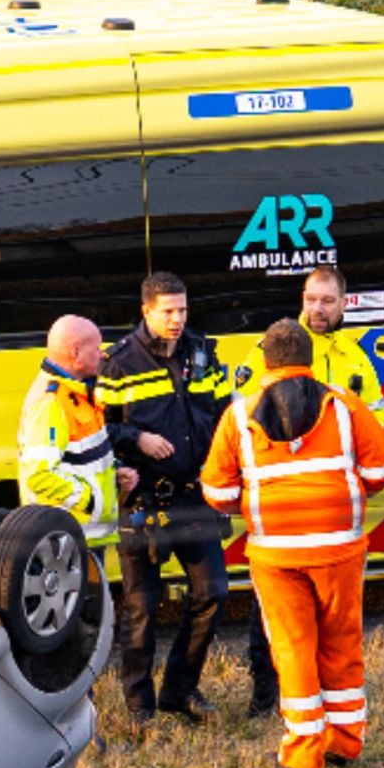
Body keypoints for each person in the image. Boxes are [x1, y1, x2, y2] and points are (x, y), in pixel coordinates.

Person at [201, 319, 384, 768]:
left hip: (275, 554)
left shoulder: (238, 416)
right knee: (341, 641)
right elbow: (381, 470)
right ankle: (345, 742)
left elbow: (217, 492)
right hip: (340, 548)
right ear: (309, 358)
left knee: (292, 648)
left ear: (266, 359)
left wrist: (250, 503)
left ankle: (304, 748)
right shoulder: (345, 406)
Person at [236, 267, 384, 715]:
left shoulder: (353, 358)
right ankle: (265, 691)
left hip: (331, 509)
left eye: (326, 301)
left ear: (344, 304)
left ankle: (322, 693)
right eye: (310, 299)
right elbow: (240, 423)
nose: (317, 310)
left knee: (331, 615)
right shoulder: (272, 348)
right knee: (273, 610)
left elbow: (375, 424)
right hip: (282, 506)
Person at [99, 271, 231, 725]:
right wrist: (138, 438)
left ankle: (180, 689)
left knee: (213, 593)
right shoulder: (118, 364)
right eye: (168, 311)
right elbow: (99, 429)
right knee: (141, 610)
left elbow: (222, 413)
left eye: (183, 310)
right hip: (144, 502)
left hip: (194, 496)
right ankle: (140, 709)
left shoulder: (202, 353)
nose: (177, 320)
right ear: (146, 311)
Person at [18, 314, 136, 553]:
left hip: (79, 538)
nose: (103, 354)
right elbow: (39, 475)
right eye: (97, 347)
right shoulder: (51, 402)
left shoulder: (77, 393)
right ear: (76, 352)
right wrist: (91, 500)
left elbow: (83, 456)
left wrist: (114, 473)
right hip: (66, 541)